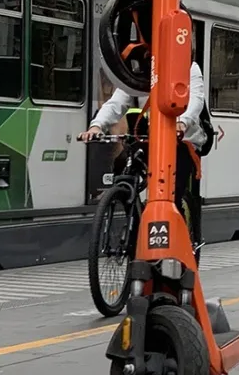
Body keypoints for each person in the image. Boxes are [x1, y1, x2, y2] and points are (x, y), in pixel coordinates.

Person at [87, 55, 212, 244]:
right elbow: (116, 103)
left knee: (172, 189)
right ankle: (134, 223)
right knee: (125, 168)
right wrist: (96, 126)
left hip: (182, 140)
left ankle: (175, 243)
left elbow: (195, 100)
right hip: (151, 138)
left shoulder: (188, 68)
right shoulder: (137, 72)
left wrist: (182, 122)